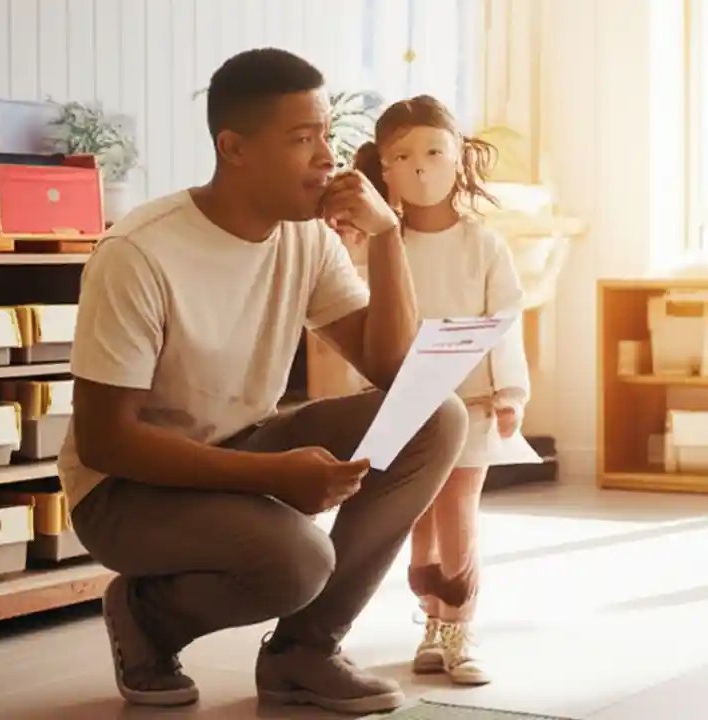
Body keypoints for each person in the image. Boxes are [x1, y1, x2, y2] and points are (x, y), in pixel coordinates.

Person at [57, 49, 468, 715]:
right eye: (303, 140)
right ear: (235, 149)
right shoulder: (139, 254)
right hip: (125, 492)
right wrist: (272, 476)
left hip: (239, 443)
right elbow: (107, 443)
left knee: (437, 416)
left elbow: (395, 372)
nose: (326, 159)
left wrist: (388, 236)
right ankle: (146, 614)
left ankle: (304, 652)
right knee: (298, 561)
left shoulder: (304, 238)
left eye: (326, 137)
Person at [352, 95, 533, 686]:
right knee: (419, 516)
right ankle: (431, 623)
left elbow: (506, 315)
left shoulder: (483, 245)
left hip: (473, 403)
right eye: (403, 155)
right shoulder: (382, 245)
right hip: (408, 405)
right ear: (385, 169)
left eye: (434, 150)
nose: (421, 165)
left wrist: (511, 391)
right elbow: (363, 322)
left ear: (459, 158)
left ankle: (461, 628)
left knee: (459, 512)